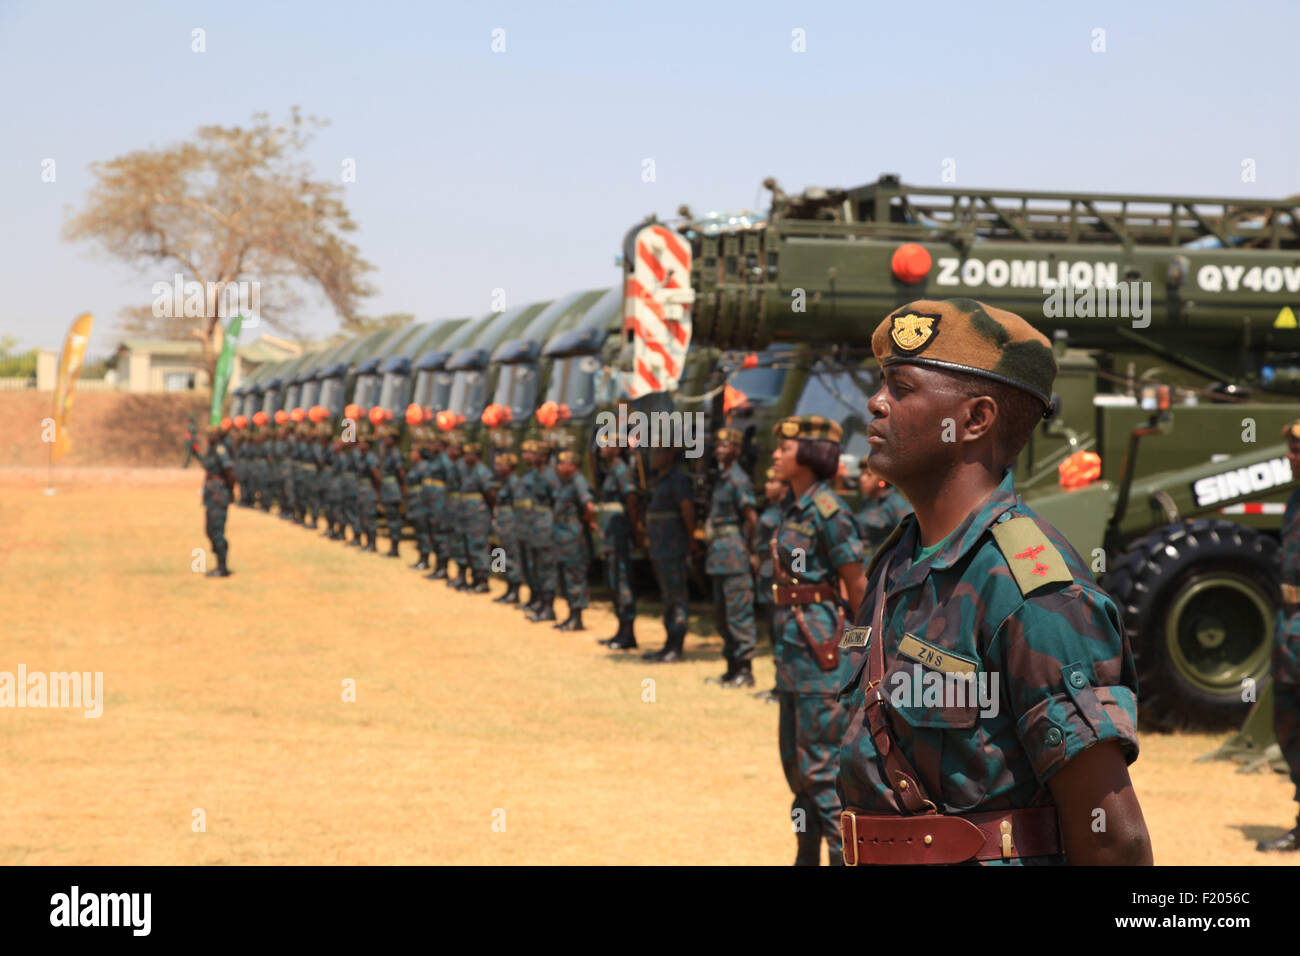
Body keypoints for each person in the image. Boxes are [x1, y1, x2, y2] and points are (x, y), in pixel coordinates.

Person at [837, 297, 1151, 866]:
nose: (875, 403)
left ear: (976, 420)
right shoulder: (899, 559)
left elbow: (1112, 840)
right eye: (881, 384)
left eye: (901, 388)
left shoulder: (1035, 592)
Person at [769, 416, 866, 865]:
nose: (775, 454)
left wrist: (859, 652)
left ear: (808, 454)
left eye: (784, 447)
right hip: (793, 655)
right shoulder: (793, 506)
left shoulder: (829, 511)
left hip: (823, 657)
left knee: (824, 777)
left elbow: (857, 585)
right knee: (798, 772)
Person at [1258, 419, 1300, 852]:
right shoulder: (1294, 501)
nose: (1291, 457)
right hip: (1290, 626)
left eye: (1298, 450)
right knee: (1287, 725)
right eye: (1290, 448)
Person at [705, 428, 759, 688]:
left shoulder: (738, 479)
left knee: (739, 614)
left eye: (726, 445)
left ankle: (745, 671)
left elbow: (751, 518)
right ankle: (731, 668)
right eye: (718, 445)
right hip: (719, 555)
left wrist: (751, 551)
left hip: (734, 554)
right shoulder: (722, 478)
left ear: (737, 450)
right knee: (722, 615)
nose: (720, 449)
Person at [641, 447, 696, 662]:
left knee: (677, 598)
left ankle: (676, 646)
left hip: (673, 547)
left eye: (659, 453)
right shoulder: (661, 479)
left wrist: (691, 540)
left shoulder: (678, 479)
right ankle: (668, 644)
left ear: (670, 455)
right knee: (668, 598)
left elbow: (687, 508)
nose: (655, 457)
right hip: (661, 548)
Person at [596, 436, 642, 650]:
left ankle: (628, 634)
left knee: (622, 584)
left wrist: (634, 530)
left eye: (606, 445)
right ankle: (620, 631)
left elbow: (631, 499)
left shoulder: (621, 470)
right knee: (613, 583)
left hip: (620, 537)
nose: (601, 449)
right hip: (610, 538)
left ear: (617, 449)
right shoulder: (611, 471)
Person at [552, 449, 596, 630]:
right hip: (564, 539)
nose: (560, 466)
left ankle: (577, 618)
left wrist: (586, 522)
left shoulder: (578, 481)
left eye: (564, 463)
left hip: (574, 539)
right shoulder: (566, 483)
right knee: (566, 578)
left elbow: (589, 506)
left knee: (575, 578)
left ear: (574, 465)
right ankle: (571, 615)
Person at [753, 467, 786, 702]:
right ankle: (778, 686)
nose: (767, 486)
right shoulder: (772, 509)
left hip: (780, 581)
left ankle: (783, 688)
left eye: (773, 482)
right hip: (766, 579)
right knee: (774, 635)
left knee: (783, 635)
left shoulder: (788, 513)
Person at [525, 441, 561, 623]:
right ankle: (540, 603)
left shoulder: (550, 476)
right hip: (534, 525)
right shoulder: (535, 474)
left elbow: (557, 502)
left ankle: (549, 607)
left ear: (545, 457)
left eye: (537, 454)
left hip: (545, 526)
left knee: (547, 567)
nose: (532, 457)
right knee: (537, 566)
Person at [458, 441, 496, 593]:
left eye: (469, 454)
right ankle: (474, 579)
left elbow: (490, 494)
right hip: (468, 515)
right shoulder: (468, 470)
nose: (466, 457)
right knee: (469, 547)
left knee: (479, 547)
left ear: (476, 455)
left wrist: (491, 511)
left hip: (479, 515)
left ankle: (483, 581)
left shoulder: (482, 471)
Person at [855, 458, 912, 559]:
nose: (862, 479)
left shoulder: (895, 503)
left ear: (882, 479)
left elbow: (910, 536)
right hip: (866, 563)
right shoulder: (866, 503)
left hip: (886, 564)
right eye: (861, 474)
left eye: (868, 475)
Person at [201, 422, 237, 578]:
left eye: (211, 434)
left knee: (217, 530)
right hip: (211, 493)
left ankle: (222, 567)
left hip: (218, 493)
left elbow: (229, 471)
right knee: (209, 530)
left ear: (218, 436)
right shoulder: (212, 450)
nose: (208, 437)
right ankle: (220, 562)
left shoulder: (221, 450)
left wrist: (230, 490)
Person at [490, 451, 524, 604]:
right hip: (502, 522)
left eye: (501, 464)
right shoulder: (504, 481)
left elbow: (518, 506)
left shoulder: (514, 482)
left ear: (510, 466)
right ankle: (508, 588)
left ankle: (515, 591)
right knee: (502, 555)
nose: (498, 467)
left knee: (511, 557)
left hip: (511, 523)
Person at [405, 430, 432, 569]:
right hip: (414, 501)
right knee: (418, 531)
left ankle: (425, 560)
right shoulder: (416, 466)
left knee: (423, 532)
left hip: (421, 502)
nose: (411, 454)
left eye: (414, 452)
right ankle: (421, 558)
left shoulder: (425, 466)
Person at [378, 427, 406, 558]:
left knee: (394, 520)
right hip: (388, 488)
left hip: (393, 489)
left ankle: (395, 549)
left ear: (394, 440)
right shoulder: (388, 452)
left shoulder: (395, 453)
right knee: (390, 519)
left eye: (388, 438)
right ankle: (393, 548)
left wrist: (402, 488)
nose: (385, 440)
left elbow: (401, 472)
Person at [356, 427, 381, 553]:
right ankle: (367, 543)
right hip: (362, 490)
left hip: (369, 491)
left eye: (362, 443)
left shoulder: (371, 458)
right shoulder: (362, 457)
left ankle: (372, 544)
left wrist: (377, 492)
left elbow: (376, 477)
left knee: (369, 518)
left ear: (368, 445)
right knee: (363, 518)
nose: (359, 445)